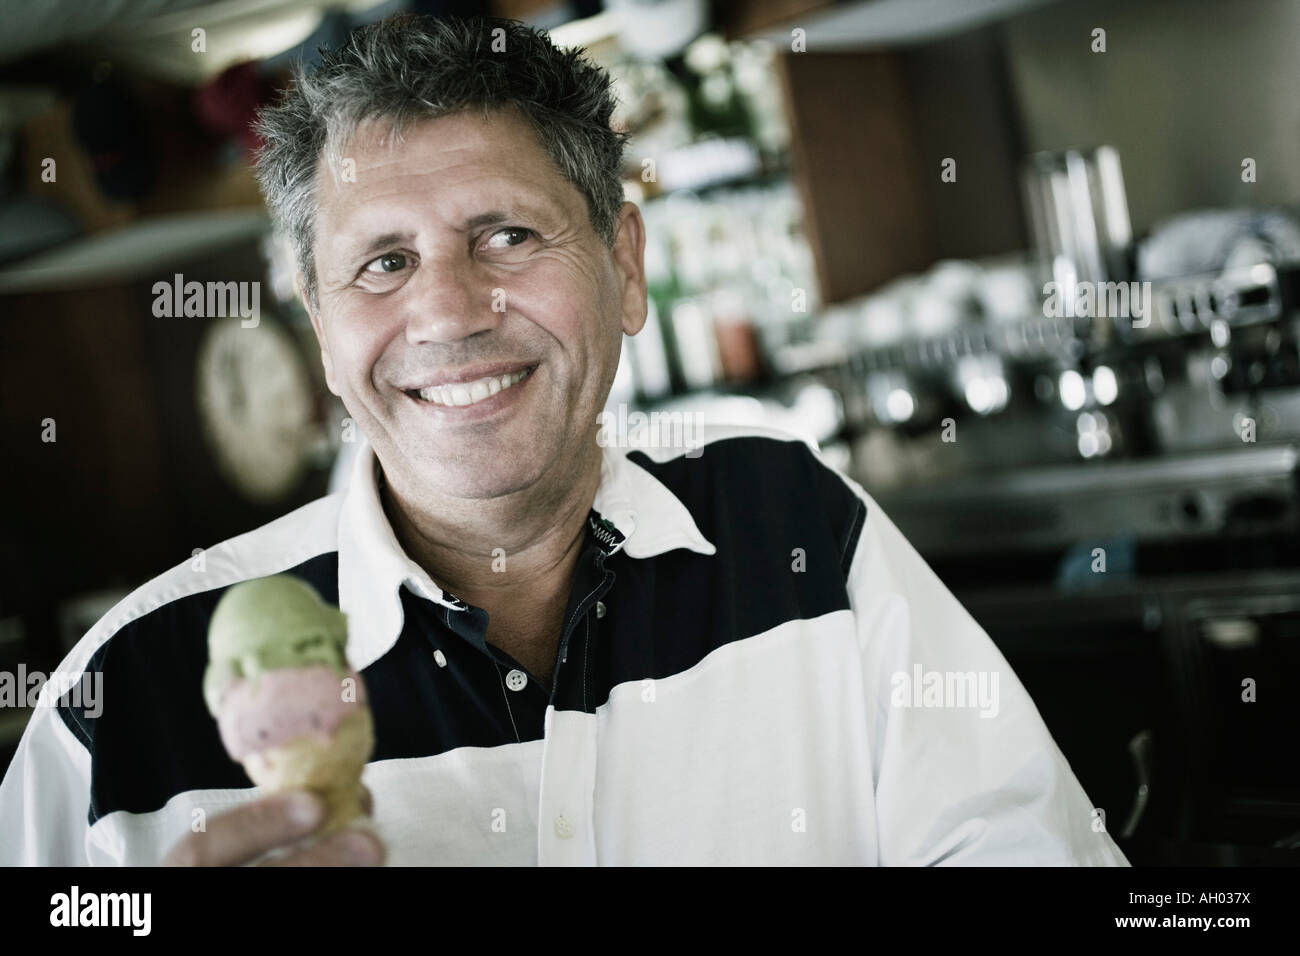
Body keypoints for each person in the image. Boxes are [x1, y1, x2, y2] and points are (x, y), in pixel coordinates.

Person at [0, 15, 1128, 866]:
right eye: (382, 262)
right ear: (318, 317)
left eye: (506, 233)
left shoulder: (794, 527)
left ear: (624, 265)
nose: (448, 312)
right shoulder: (123, 704)